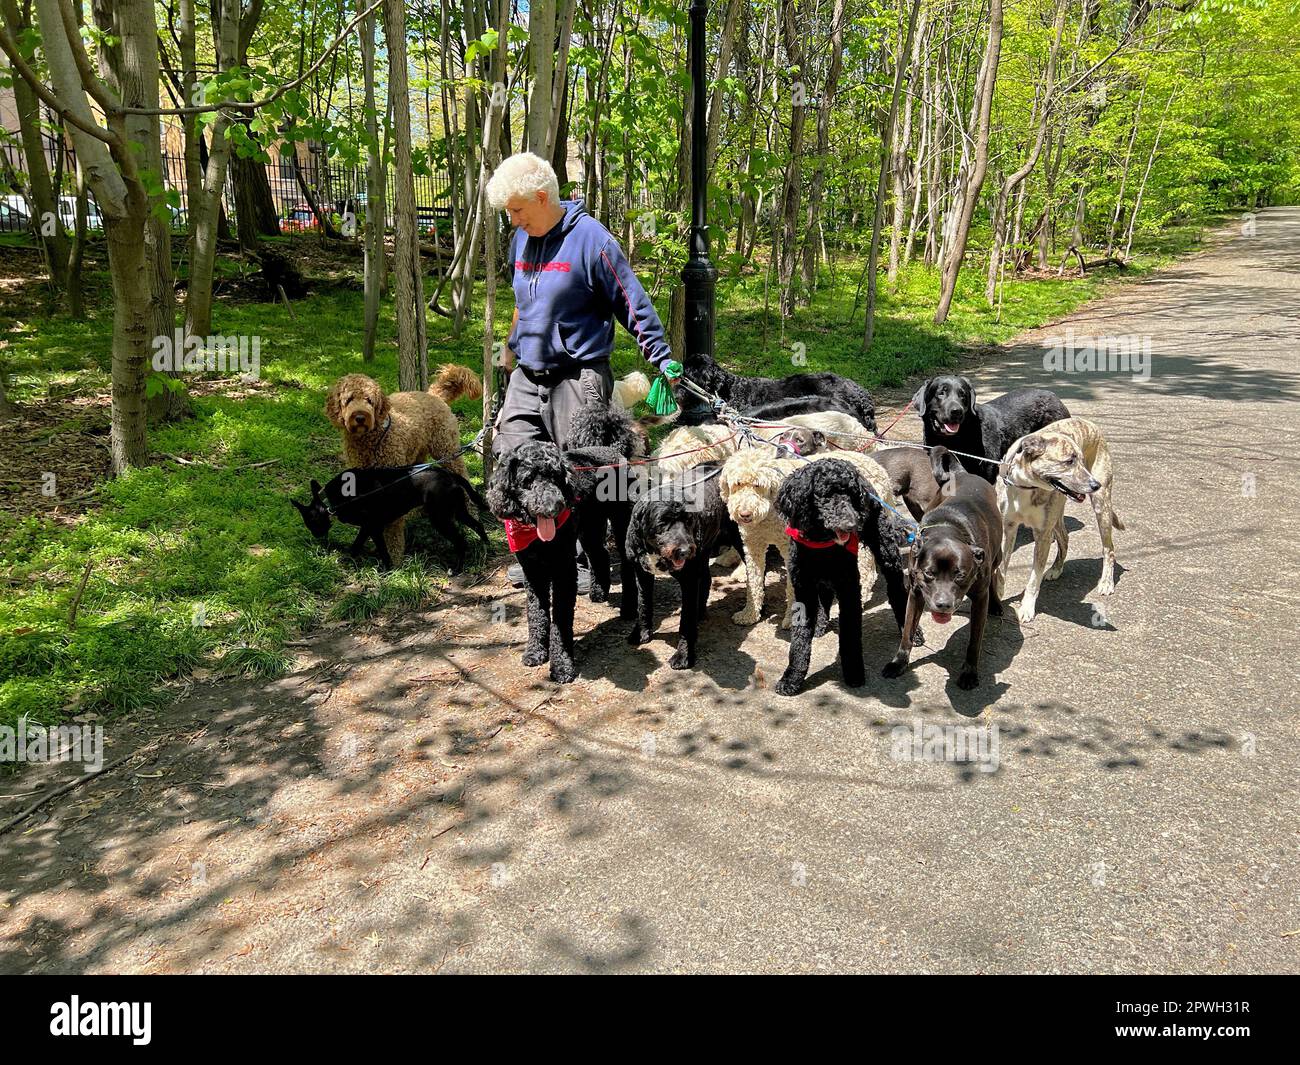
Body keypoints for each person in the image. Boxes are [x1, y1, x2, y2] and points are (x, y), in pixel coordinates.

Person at [485, 151, 675, 588]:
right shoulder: (521, 240)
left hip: (579, 375)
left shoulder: (593, 241)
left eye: (516, 210)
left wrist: (662, 358)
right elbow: (523, 303)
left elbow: (632, 303)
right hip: (527, 375)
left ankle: (589, 560)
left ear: (540, 197)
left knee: (581, 470)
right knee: (513, 455)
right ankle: (540, 548)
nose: (512, 220)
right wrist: (508, 354)